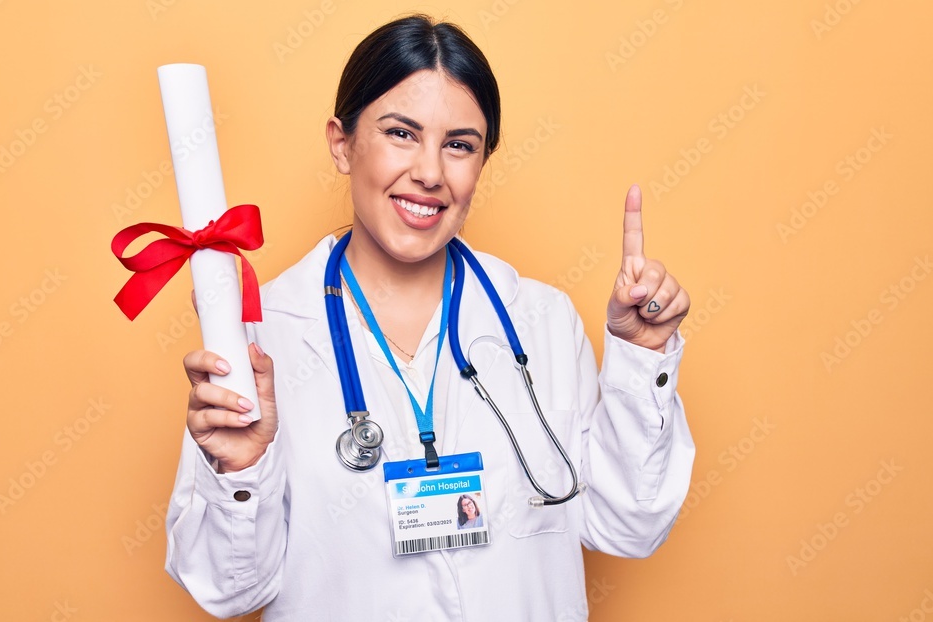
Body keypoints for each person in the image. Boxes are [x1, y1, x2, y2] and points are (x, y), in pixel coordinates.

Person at [166, 14, 695, 622]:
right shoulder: (262, 339)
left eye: (459, 145)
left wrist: (642, 360)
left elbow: (628, 527)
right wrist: (242, 469)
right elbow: (229, 591)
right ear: (341, 143)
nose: (430, 172)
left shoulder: (540, 320)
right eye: (401, 133)